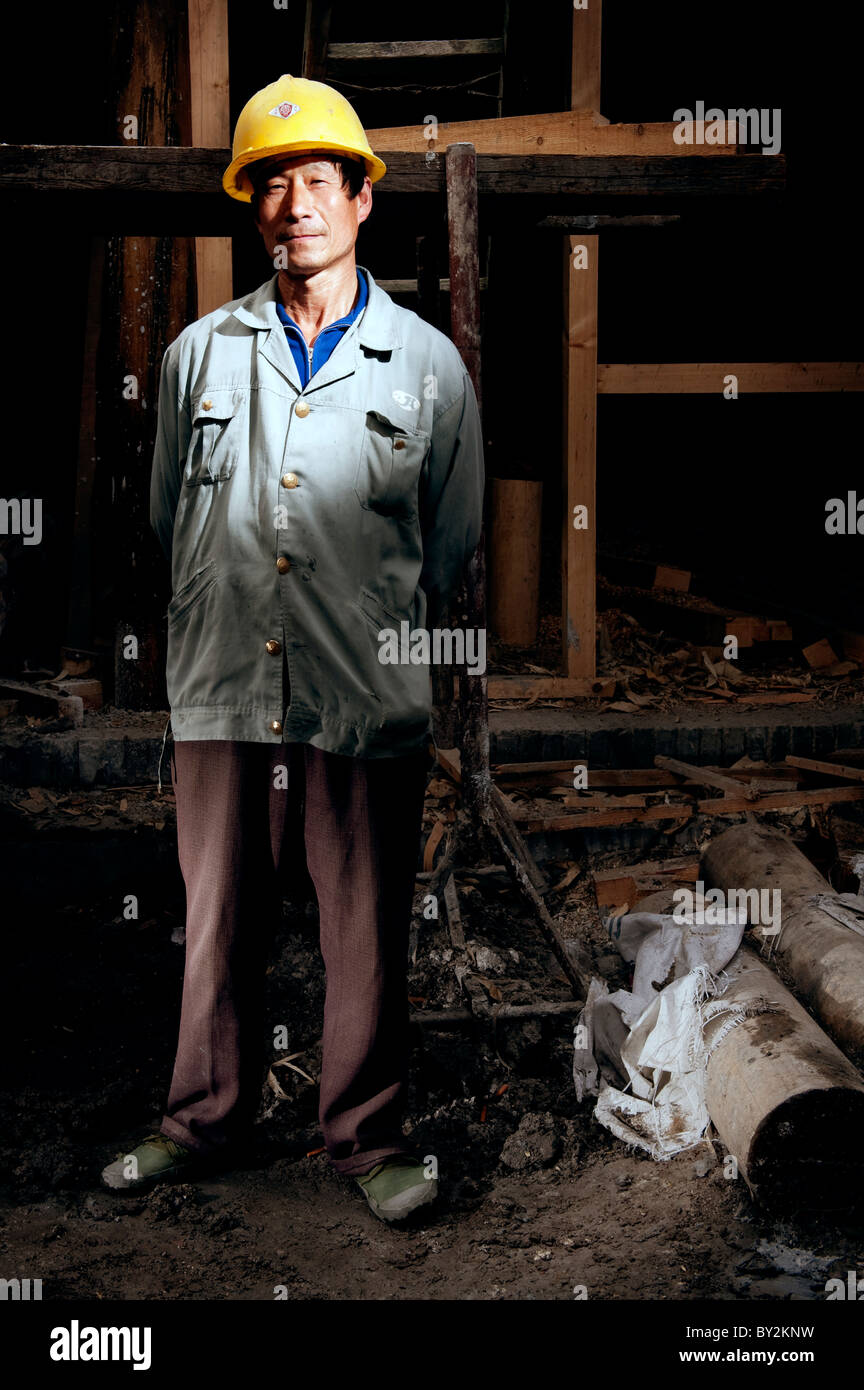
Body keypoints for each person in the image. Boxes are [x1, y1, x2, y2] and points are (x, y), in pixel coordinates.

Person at [101, 74, 484, 1222]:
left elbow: (452, 540)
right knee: (216, 915)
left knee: (363, 921)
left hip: (364, 696)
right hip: (224, 689)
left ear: (362, 200)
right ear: (252, 208)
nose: (294, 201)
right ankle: (203, 1120)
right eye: (272, 182)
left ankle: (368, 1141)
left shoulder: (426, 367)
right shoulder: (195, 360)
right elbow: (172, 520)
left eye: (319, 178)